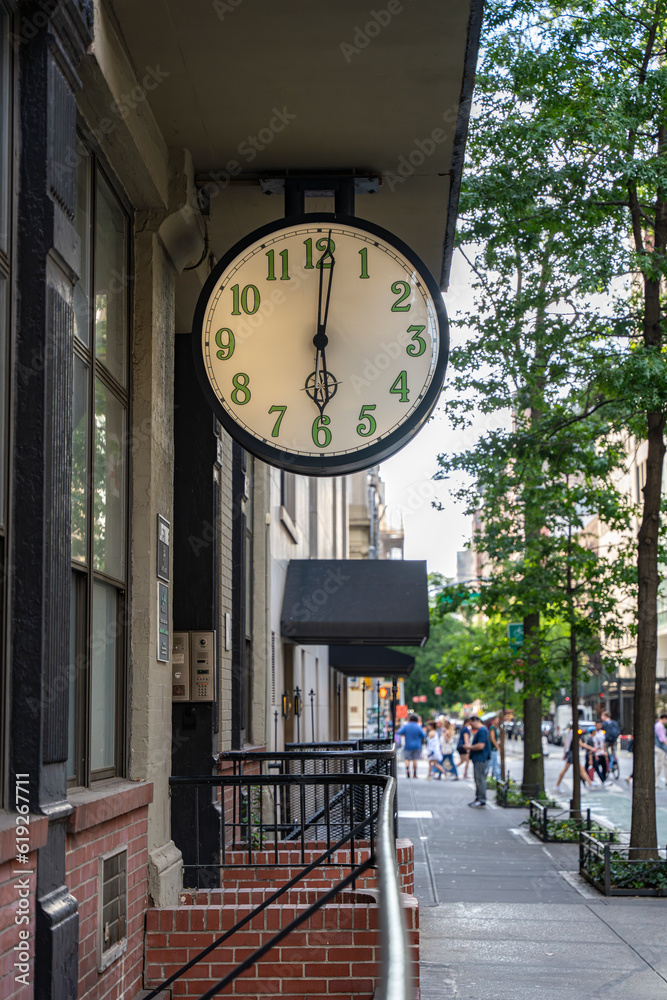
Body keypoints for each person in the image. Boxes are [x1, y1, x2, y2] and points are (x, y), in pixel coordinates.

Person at [555, 724, 592, 791]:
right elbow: (580, 744)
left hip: (571, 753)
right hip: (572, 753)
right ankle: (590, 783)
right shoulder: (573, 734)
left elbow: (566, 744)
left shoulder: (570, 733)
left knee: (579, 770)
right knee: (579, 770)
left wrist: (565, 753)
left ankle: (590, 783)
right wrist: (591, 748)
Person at [467, 716, 491, 807]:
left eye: (471, 723)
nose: (471, 726)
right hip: (480, 758)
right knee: (479, 779)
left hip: (481, 758)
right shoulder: (483, 730)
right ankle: (479, 798)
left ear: (475, 721)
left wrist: (469, 747)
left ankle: (481, 799)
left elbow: (481, 745)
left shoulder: (482, 731)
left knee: (479, 779)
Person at [397, 714, 426, 778]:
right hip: (417, 746)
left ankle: (407, 769)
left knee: (407, 758)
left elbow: (399, 732)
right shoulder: (418, 726)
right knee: (415, 759)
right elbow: (423, 735)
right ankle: (415, 774)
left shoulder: (406, 726)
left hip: (408, 745)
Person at [486, 715, 502, 782]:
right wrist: (497, 747)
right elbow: (492, 739)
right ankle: (498, 778)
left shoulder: (494, 728)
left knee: (494, 764)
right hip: (492, 749)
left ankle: (498, 778)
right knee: (491, 764)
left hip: (493, 749)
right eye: (496, 719)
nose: (498, 721)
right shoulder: (492, 728)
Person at [655, 713, 667, 788]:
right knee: (659, 766)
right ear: (664, 718)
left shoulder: (658, 725)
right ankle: (655, 783)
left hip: (660, 748)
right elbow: (662, 739)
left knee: (665, 765)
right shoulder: (659, 726)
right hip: (660, 748)